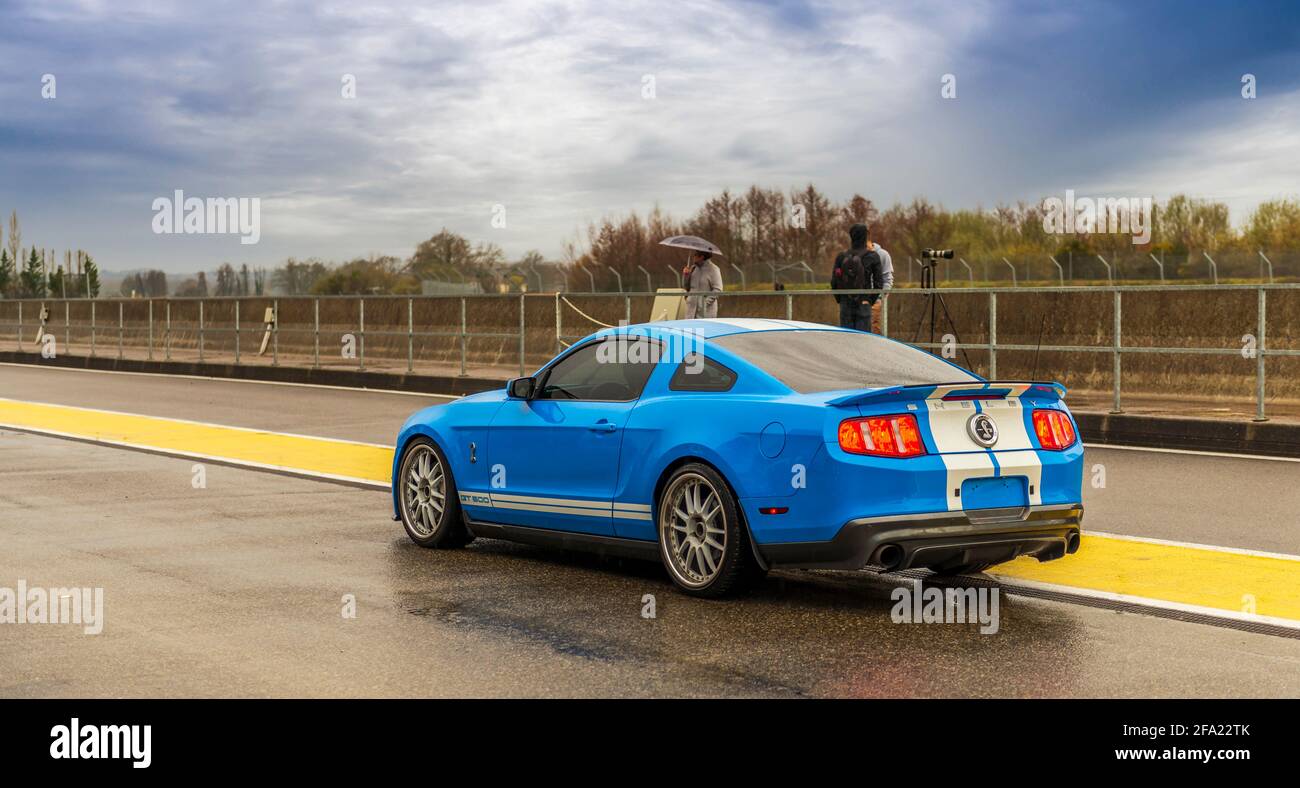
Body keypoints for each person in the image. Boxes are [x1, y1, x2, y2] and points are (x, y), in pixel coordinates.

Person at [830, 223, 883, 331]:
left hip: (845, 304)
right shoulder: (872, 256)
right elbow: (879, 283)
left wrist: (841, 299)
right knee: (863, 340)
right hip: (864, 303)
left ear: (851, 236)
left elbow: (834, 282)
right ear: (865, 237)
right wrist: (870, 301)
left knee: (847, 339)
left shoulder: (841, 257)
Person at [682, 250, 723, 319]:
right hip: (690, 312)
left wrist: (704, 303)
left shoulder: (714, 269)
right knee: (690, 329)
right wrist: (686, 275)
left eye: (695, 255)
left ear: (701, 257)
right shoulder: (693, 268)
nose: (693, 257)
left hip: (706, 313)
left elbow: (718, 289)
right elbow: (686, 287)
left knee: (704, 329)